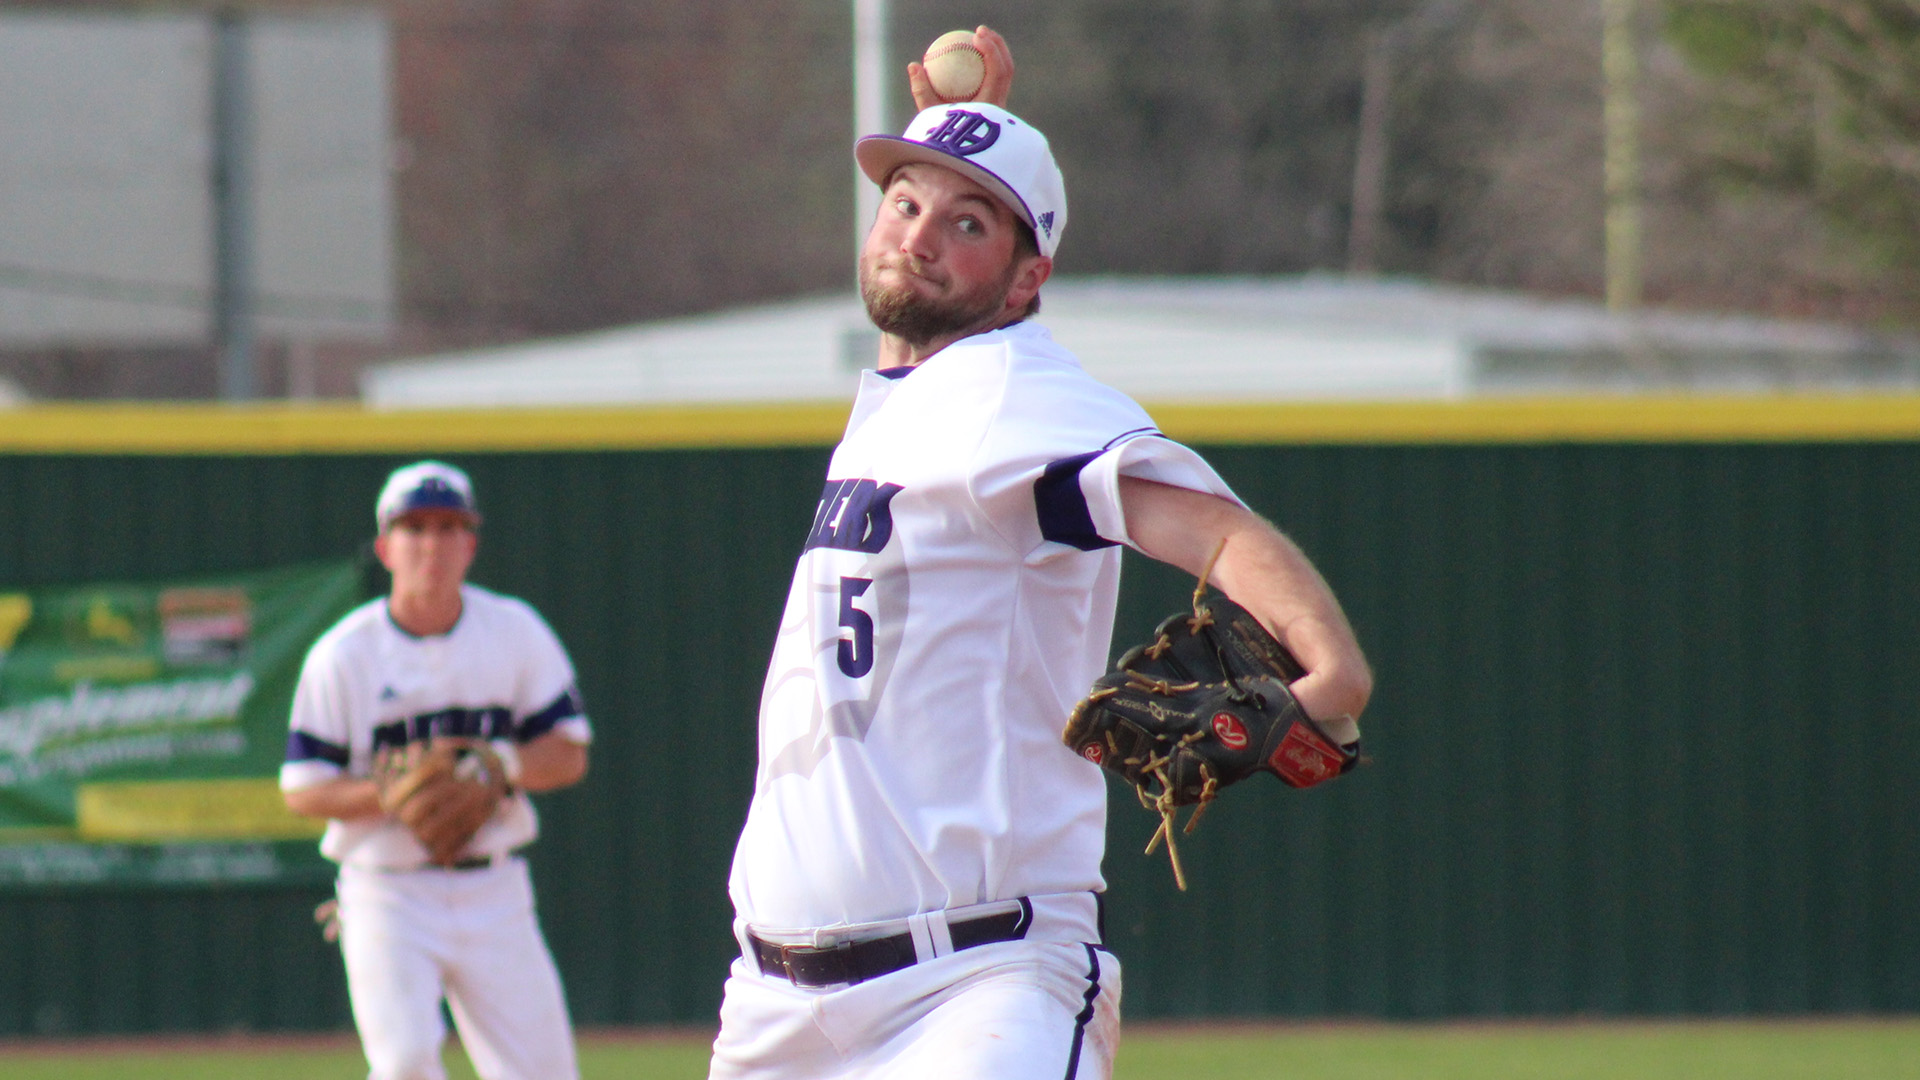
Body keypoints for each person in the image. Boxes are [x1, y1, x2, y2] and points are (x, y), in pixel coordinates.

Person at [707, 27, 1372, 1080]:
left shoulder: (1020, 396)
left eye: (967, 225)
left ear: (1028, 281)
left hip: (971, 991)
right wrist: (981, 136)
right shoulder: (907, 398)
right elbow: (910, 326)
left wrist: (1332, 664)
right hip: (775, 1013)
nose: (918, 236)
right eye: (906, 204)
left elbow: (1209, 527)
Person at [281, 460, 592, 1080]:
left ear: (470, 543)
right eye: (414, 527)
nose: (432, 543)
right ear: (384, 546)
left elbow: (568, 753)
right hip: (387, 890)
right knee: (404, 1066)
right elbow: (303, 789)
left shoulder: (514, 631)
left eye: (449, 527)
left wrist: (498, 765)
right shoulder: (344, 655)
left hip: (493, 888)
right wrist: (393, 794)